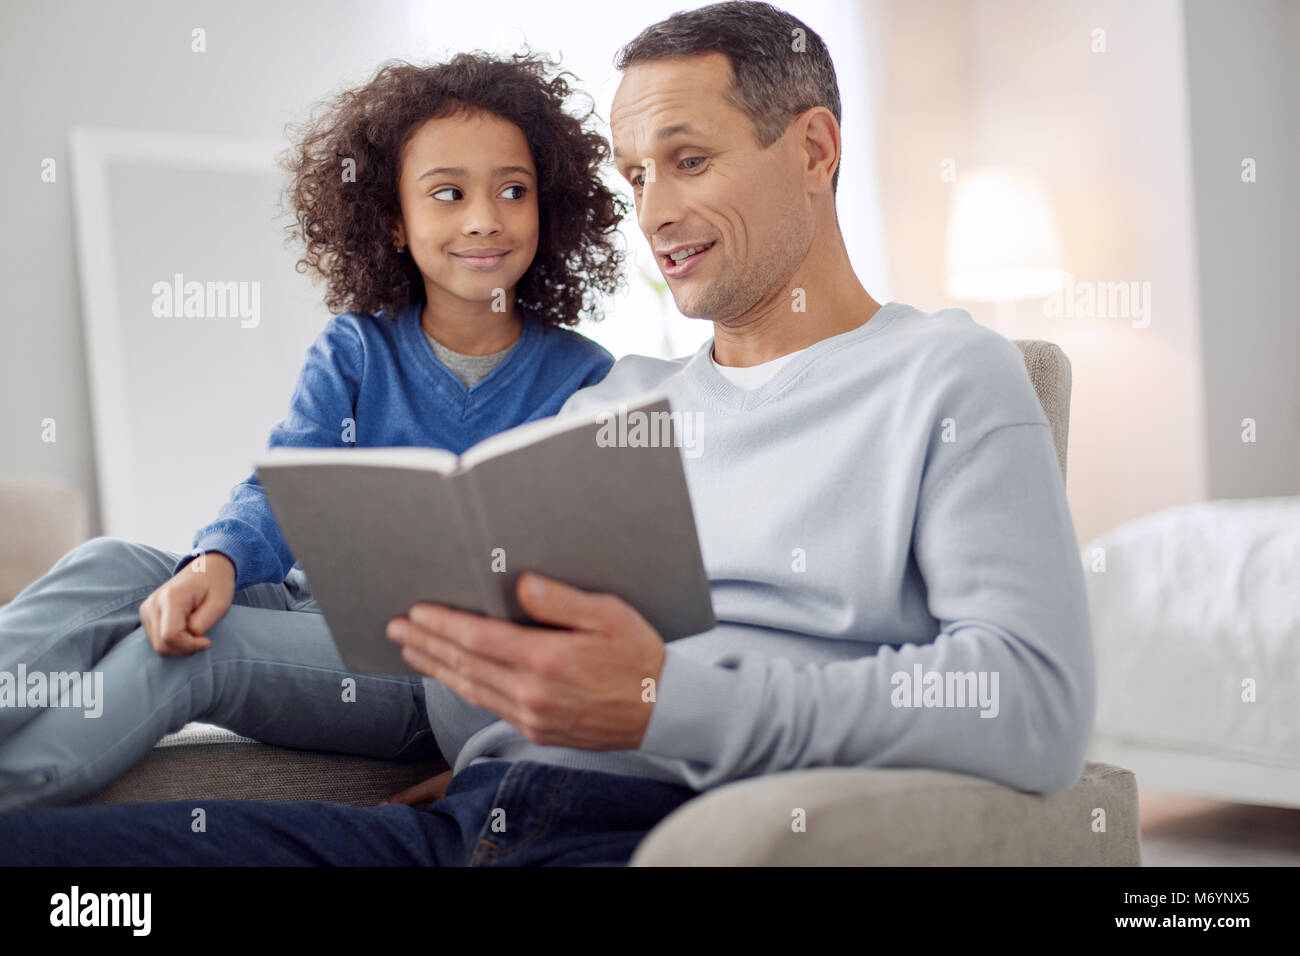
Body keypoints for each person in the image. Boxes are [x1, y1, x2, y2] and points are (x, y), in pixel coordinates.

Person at [0, 1, 1093, 866]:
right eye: (635, 174)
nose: (653, 211)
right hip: (454, 819)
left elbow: (1030, 703)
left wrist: (662, 698)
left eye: (688, 160)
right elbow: (462, 686)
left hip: (641, 829)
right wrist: (494, 707)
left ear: (813, 149)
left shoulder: (946, 373)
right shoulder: (614, 402)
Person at [0, 51, 626, 815]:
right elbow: (284, 481)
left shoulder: (587, 378)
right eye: (447, 193)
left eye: (513, 191)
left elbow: (589, 587)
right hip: (307, 604)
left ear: (547, 206)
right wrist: (217, 559)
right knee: (111, 563)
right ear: (393, 222)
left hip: (431, 672)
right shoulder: (358, 346)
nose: (483, 218)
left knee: (197, 655)